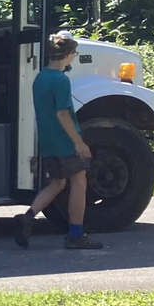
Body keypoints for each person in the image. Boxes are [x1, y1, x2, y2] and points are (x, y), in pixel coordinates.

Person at [15, 31, 103, 250]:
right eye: (74, 53)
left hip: (47, 140)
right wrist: (78, 142)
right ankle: (76, 234)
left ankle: (28, 217)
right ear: (68, 54)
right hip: (65, 141)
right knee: (79, 182)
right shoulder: (61, 80)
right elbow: (62, 113)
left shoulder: (41, 77)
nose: (74, 57)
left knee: (57, 183)